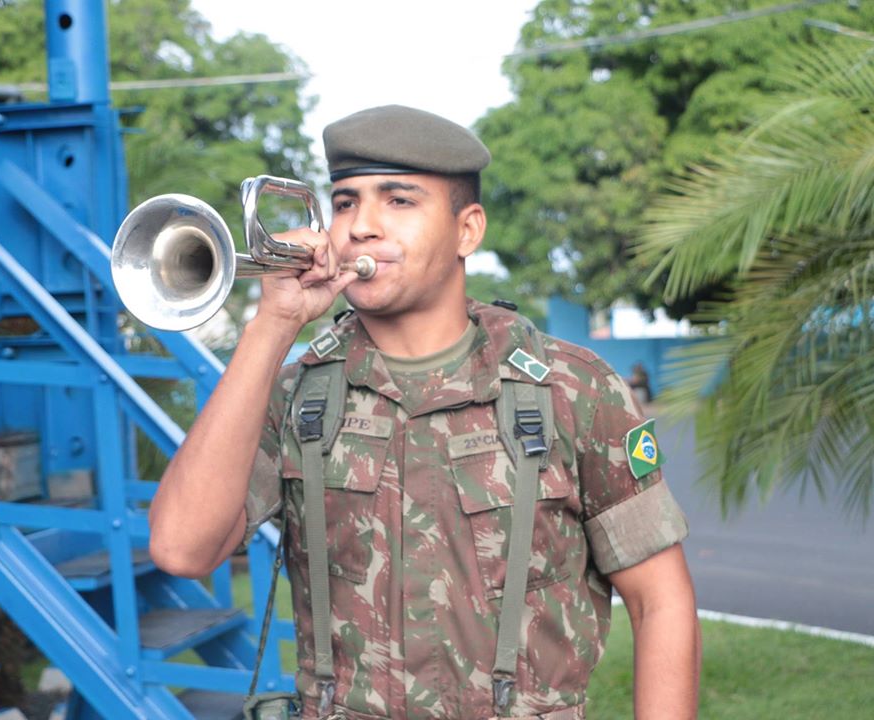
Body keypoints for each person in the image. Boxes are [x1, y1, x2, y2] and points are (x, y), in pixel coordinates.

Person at [148, 105, 700, 719]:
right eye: (346, 202)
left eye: (400, 201)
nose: (361, 227)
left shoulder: (572, 389)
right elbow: (181, 550)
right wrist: (271, 328)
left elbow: (660, 602)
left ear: (467, 230)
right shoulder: (298, 393)